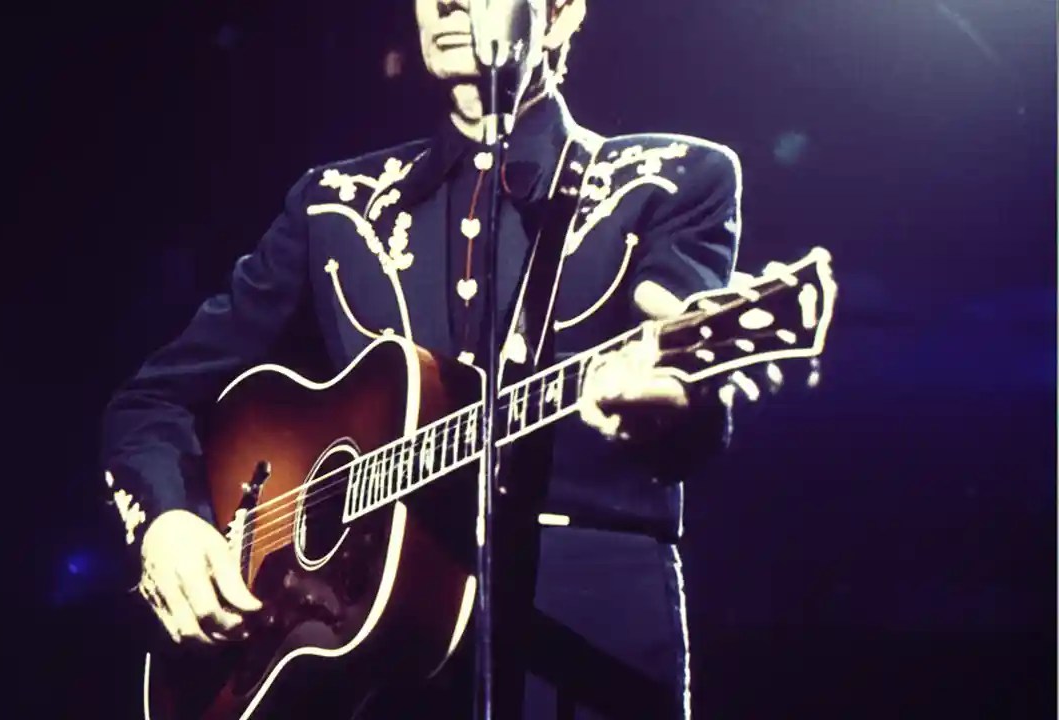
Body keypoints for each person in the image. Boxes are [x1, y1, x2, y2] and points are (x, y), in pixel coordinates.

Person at [100, 1, 743, 717]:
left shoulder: (670, 179)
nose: (446, 1)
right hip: (364, 671)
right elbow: (152, 401)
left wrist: (679, 399)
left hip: (587, 651)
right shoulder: (334, 206)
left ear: (561, 14)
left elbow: (685, 370)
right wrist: (168, 524)